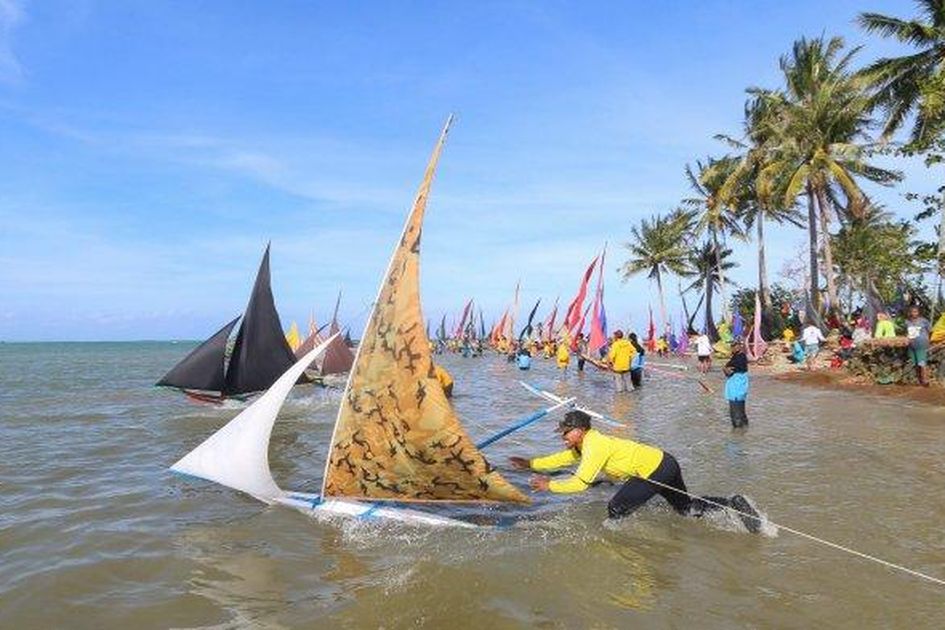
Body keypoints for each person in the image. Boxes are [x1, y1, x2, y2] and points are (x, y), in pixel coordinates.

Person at [508, 411, 761, 531]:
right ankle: (733, 504)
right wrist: (531, 464)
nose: (562, 436)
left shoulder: (594, 445)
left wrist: (548, 486)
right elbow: (561, 459)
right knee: (687, 509)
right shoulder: (586, 442)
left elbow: (580, 483)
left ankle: (618, 543)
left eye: (565, 432)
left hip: (655, 470)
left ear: (580, 430)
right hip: (666, 462)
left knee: (616, 507)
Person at [723, 341, 749, 428]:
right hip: (741, 389)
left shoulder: (738, 358)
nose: (732, 348)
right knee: (742, 414)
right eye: (732, 346)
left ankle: (737, 438)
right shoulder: (741, 356)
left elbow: (728, 371)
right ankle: (745, 434)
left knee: (736, 417)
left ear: (738, 347)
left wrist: (724, 368)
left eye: (734, 346)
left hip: (736, 390)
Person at [906, 305, 931, 387]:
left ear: (918, 312)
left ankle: (925, 381)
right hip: (912, 344)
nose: (914, 313)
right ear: (910, 313)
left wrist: (927, 340)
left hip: (921, 344)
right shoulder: (907, 322)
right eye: (912, 312)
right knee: (915, 363)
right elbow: (907, 333)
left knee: (922, 363)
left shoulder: (924, 321)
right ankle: (918, 380)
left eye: (915, 312)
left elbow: (930, 330)